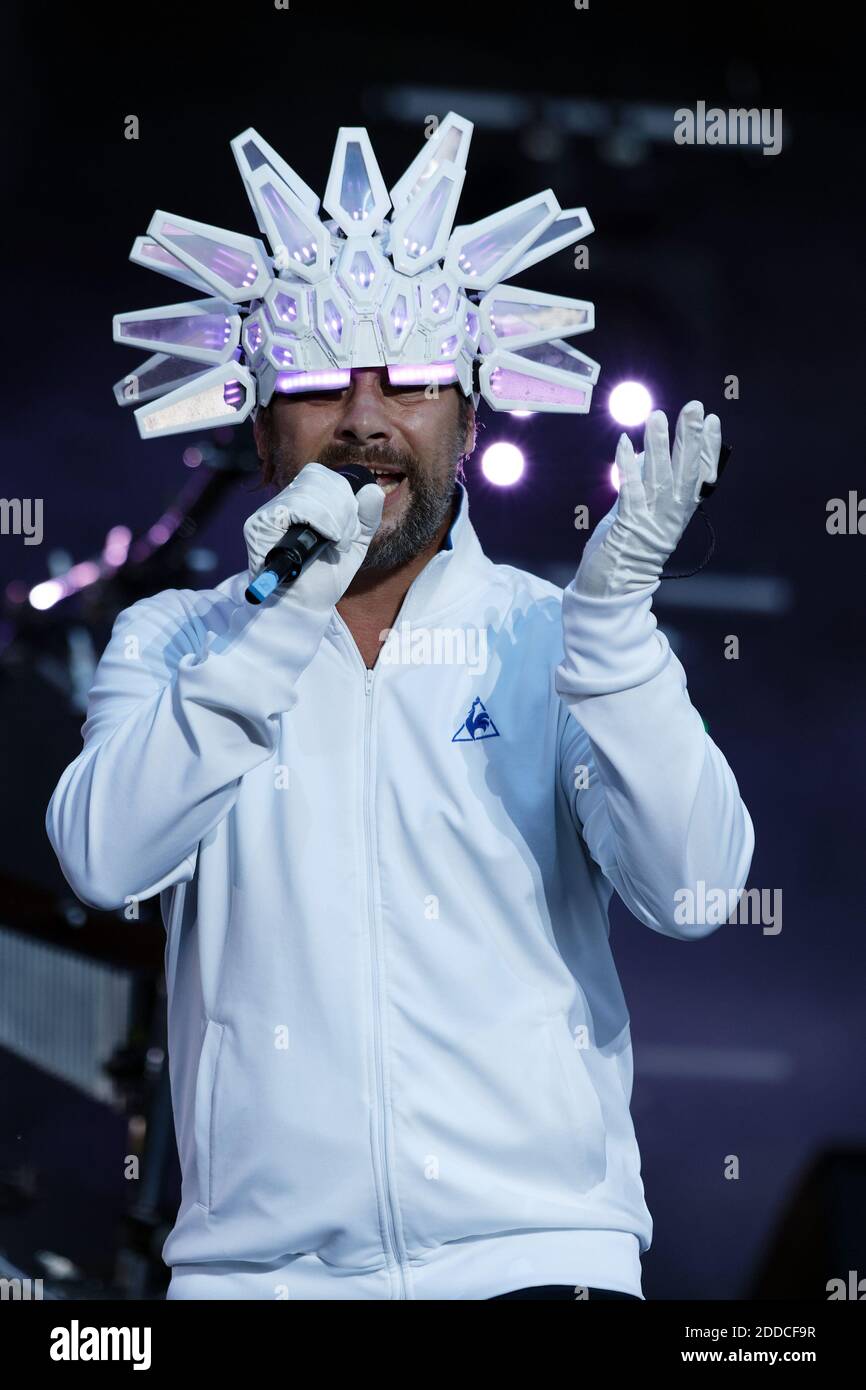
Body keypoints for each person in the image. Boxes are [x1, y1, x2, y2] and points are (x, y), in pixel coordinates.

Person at [46, 116, 754, 1301]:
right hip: (253, 1280)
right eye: (321, 384)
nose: (367, 418)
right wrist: (272, 618)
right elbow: (102, 861)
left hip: (538, 1266)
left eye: (413, 380)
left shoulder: (550, 634)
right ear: (259, 429)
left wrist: (618, 639)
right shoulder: (173, 641)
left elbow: (694, 889)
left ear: (469, 418)